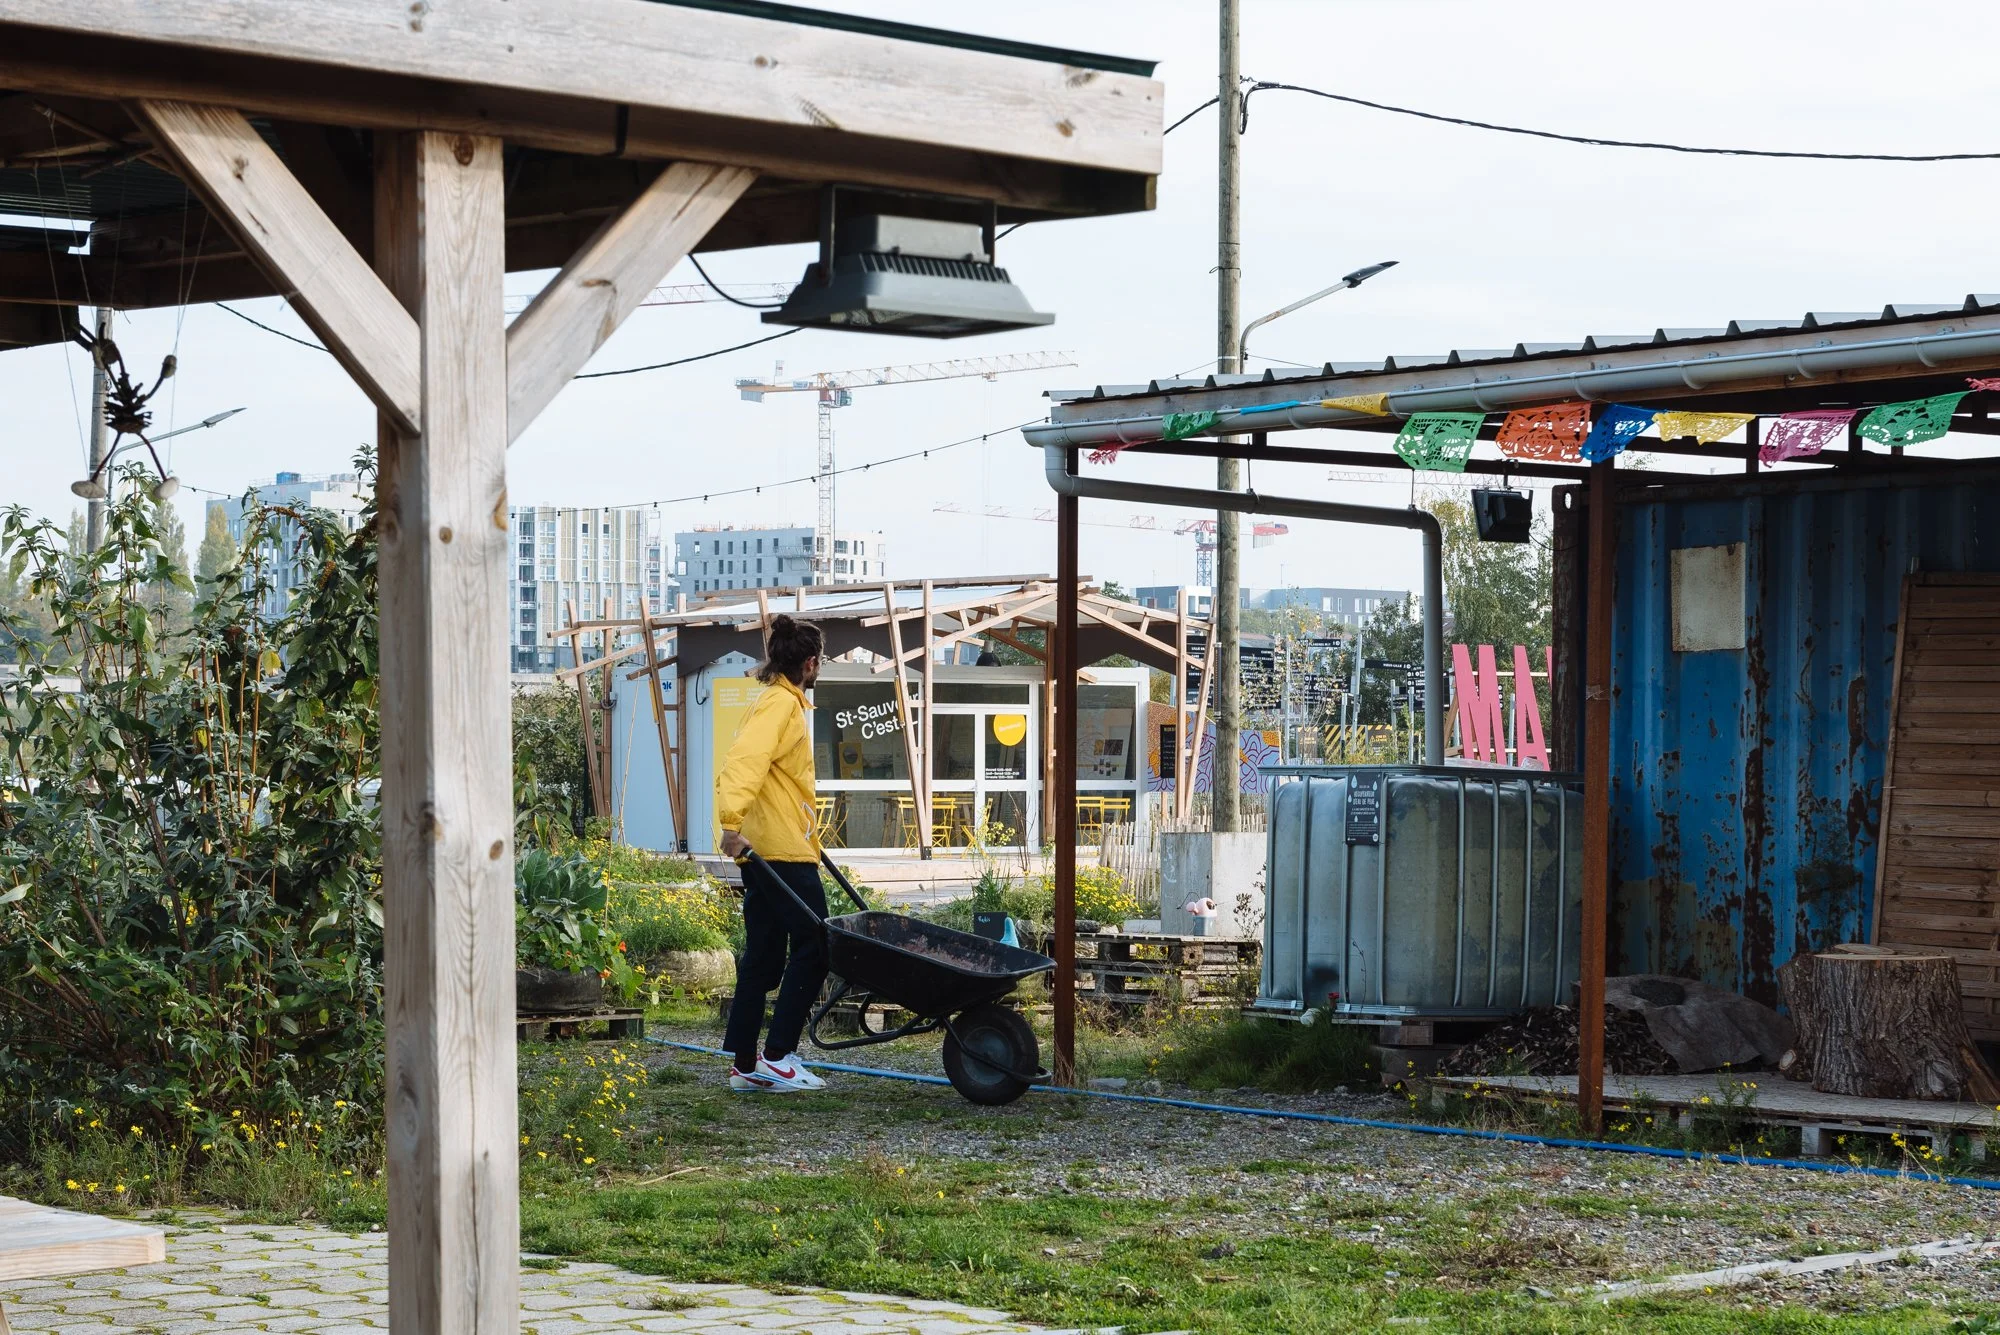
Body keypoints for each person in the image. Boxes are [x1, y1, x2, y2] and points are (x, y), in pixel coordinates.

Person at [715, 614, 831, 1093]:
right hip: (779, 850)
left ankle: (744, 1065)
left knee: (763, 954)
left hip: (770, 846)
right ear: (809, 662)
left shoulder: (777, 701)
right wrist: (729, 824)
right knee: (818, 943)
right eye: (820, 660)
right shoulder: (781, 705)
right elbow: (744, 762)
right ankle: (778, 1056)